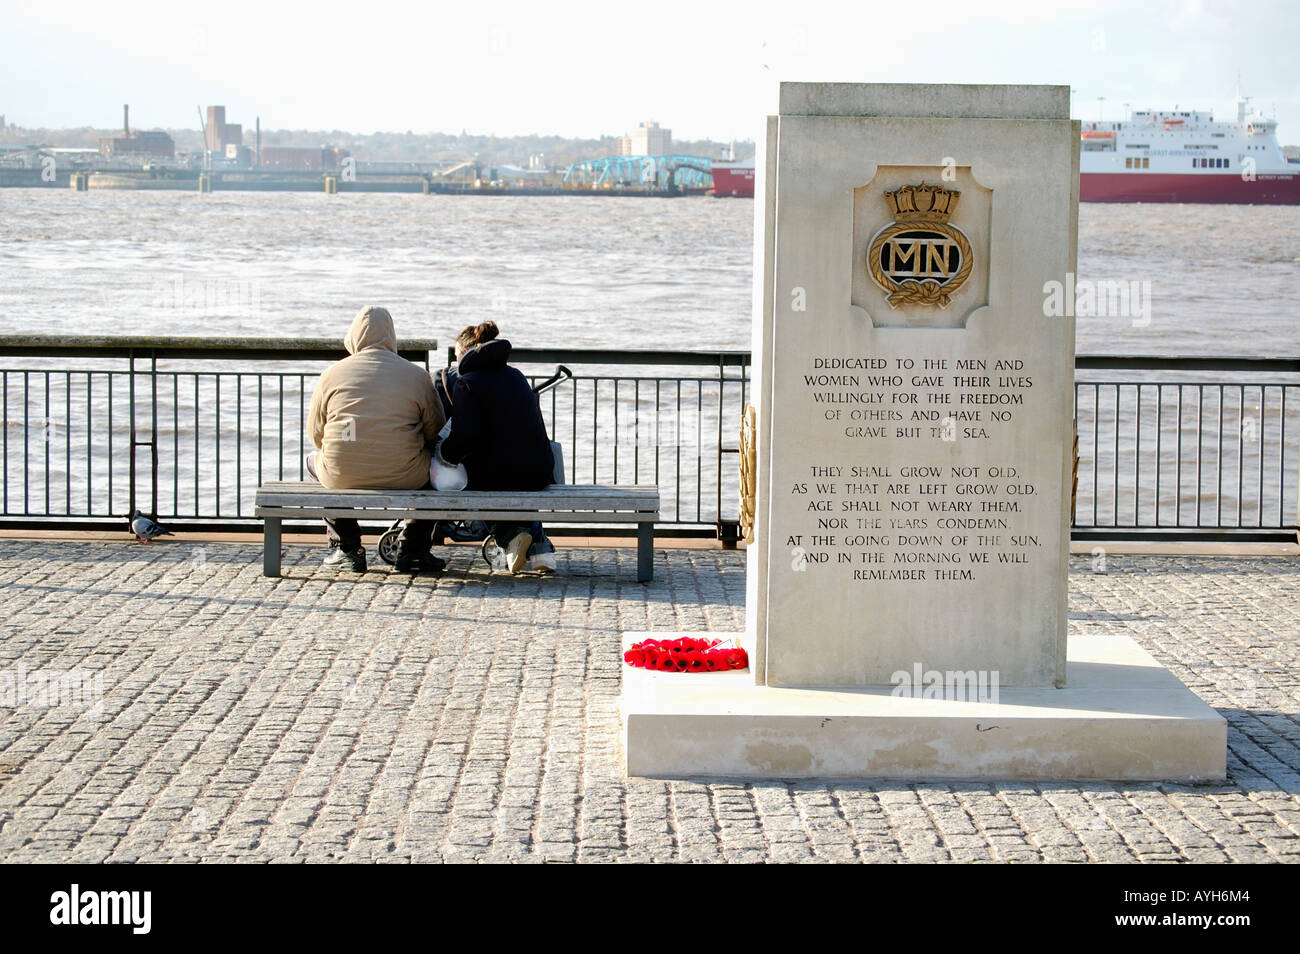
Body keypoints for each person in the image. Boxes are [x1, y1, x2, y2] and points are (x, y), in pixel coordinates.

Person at [307, 305, 446, 574]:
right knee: (437, 475)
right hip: (407, 474)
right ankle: (413, 549)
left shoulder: (331, 375)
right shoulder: (416, 375)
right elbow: (435, 432)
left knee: (314, 464)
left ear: (354, 336)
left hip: (342, 474)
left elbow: (316, 435)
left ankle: (347, 547)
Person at [439, 321, 557, 574]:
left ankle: (511, 538)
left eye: (456, 353)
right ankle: (541, 551)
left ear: (465, 352)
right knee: (515, 479)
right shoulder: (516, 376)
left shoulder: (467, 382)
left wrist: (445, 455)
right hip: (540, 469)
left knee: (473, 480)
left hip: (502, 473)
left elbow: (465, 436)